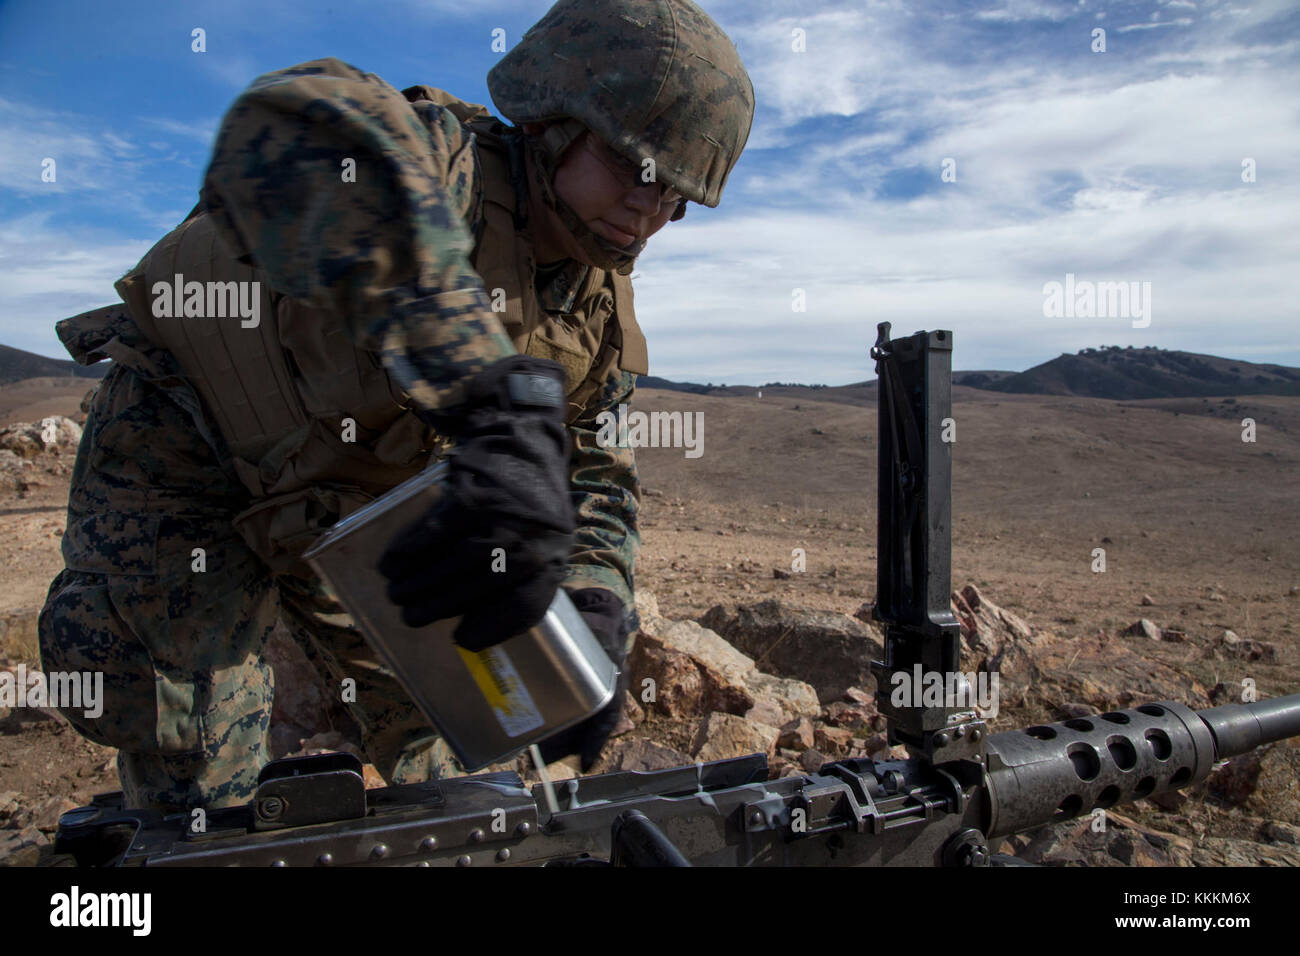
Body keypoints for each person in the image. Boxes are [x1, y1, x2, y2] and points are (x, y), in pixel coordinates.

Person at [38, 0, 753, 813]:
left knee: (463, 754)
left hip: (352, 513)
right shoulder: (439, 160)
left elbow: (594, 467)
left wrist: (594, 598)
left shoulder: (598, 313)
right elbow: (287, 124)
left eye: (678, 199)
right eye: (637, 170)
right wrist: (484, 394)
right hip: (189, 451)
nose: (650, 211)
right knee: (192, 767)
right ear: (557, 117)